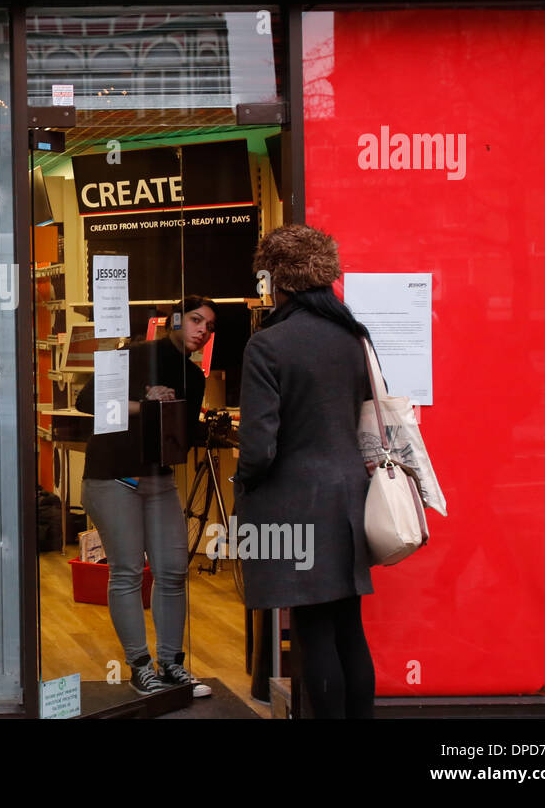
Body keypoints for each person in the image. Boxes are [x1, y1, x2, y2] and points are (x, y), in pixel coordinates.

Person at [234, 224, 376, 718]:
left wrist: (245, 485)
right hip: (349, 499)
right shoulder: (352, 337)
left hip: (294, 506)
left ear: (279, 280)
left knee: (313, 632)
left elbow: (257, 448)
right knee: (349, 627)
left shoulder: (268, 345)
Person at [74, 296, 217, 697]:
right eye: (195, 320)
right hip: (112, 476)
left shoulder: (195, 376)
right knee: (128, 572)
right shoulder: (134, 355)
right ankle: (140, 667)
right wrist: (144, 405)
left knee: (173, 571)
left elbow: (183, 434)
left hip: (158, 478)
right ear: (174, 319)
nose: (202, 330)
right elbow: (87, 402)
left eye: (208, 325)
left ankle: (171, 664)